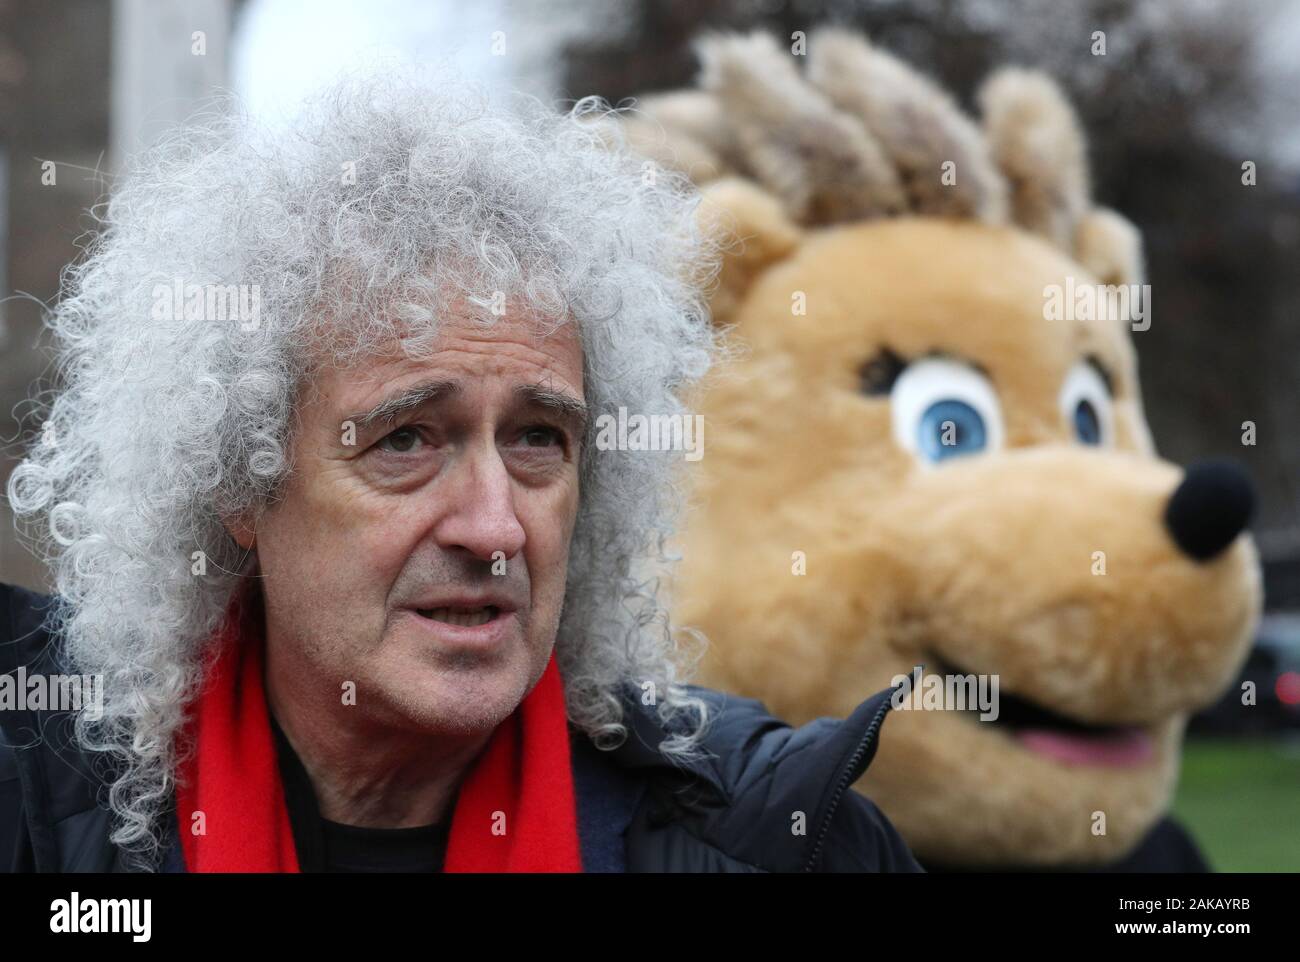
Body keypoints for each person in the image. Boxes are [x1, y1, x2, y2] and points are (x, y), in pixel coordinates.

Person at [0, 69, 919, 873]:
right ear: (240, 485)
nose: (494, 528)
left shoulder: (783, 842)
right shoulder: (37, 814)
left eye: (537, 440)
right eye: (406, 441)